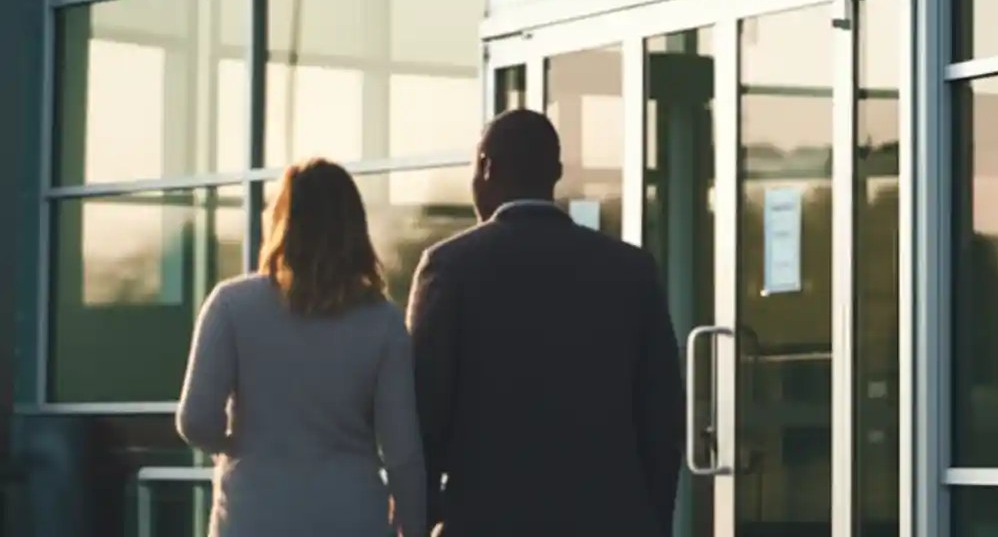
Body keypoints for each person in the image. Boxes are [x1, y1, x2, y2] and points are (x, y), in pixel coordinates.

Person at [406, 109, 684, 537]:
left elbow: (423, 415)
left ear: (486, 168)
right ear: (555, 172)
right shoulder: (631, 271)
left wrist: (419, 519)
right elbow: (661, 417)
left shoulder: (449, 268)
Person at [176, 159, 427, 537]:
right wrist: (414, 522)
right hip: (351, 513)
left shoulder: (231, 305)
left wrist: (234, 445)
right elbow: (402, 448)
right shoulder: (382, 321)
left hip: (256, 512)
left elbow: (195, 419)